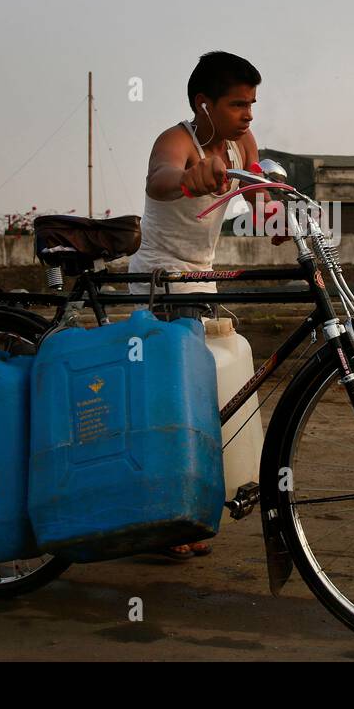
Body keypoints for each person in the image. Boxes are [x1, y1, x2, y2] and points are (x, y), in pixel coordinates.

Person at [128, 50, 288, 560]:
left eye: (252, 104)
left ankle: (189, 508)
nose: (248, 114)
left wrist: (275, 216)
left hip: (202, 278)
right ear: (205, 104)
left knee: (208, 400)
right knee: (177, 404)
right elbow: (159, 177)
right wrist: (186, 179)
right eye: (239, 104)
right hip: (160, 280)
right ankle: (164, 521)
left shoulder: (243, 143)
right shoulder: (178, 141)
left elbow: (260, 191)